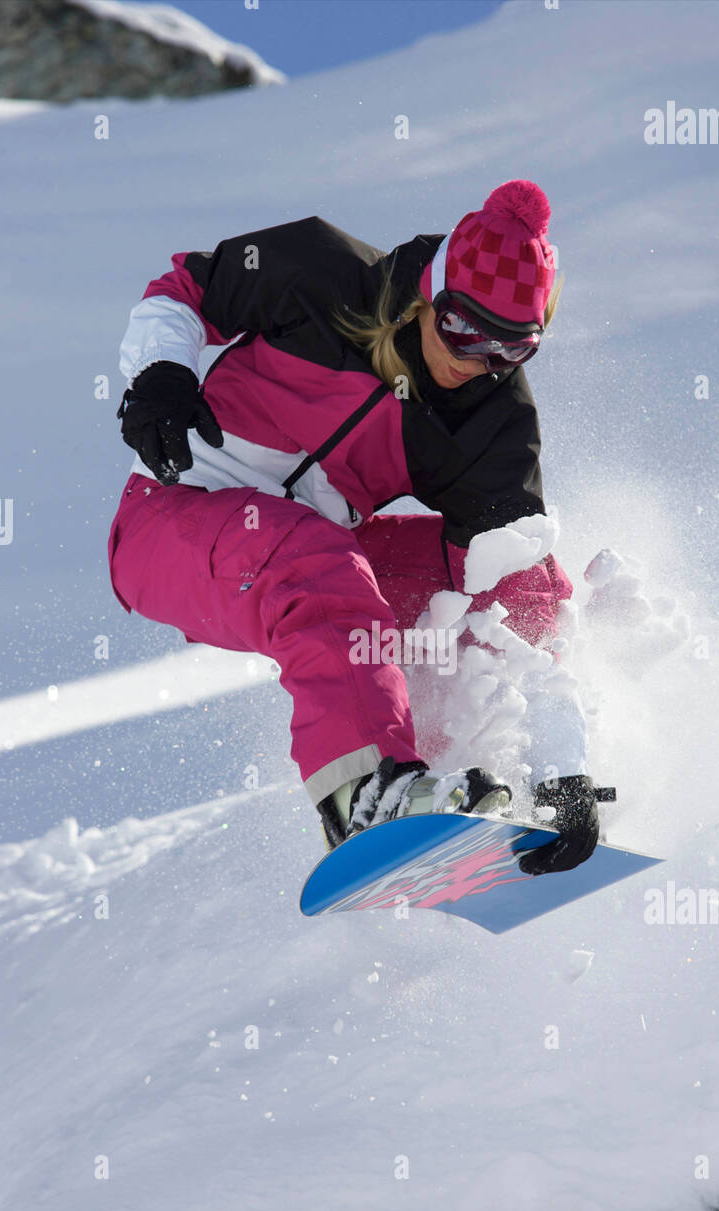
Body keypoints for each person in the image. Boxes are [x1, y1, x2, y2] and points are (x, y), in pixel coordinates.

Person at [109, 179, 603, 870]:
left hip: (309, 559)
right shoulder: (323, 272)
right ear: (431, 291)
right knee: (320, 562)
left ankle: (464, 781)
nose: (473, 364)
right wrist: (162, 374)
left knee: (513, 575)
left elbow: (517, 591)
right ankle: (363, 795)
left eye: (509, 350)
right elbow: (182, 287)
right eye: (463, 331)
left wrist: (563, 766)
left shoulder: (492, 423)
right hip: (173, 524)